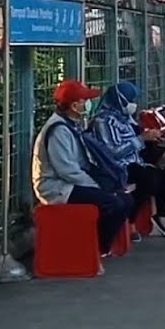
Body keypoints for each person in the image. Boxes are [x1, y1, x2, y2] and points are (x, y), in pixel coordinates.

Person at [31, 79, 129, 259]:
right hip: (57, 187)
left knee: (124, 197)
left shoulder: (70, 124)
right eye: (84, 101)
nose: (88, 104)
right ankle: (97, 248)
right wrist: (93, 185)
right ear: (74, 105)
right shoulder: (58, 130)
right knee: (114, 204)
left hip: (72, 182)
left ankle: (99, 246)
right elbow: (66, 170)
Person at [91, 81, 165, 238]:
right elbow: (113, 152)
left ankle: (161, 216)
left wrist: (155, 140)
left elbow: (138, 138)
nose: (133, 104)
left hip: (135, 162)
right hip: (116, 167)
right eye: (130, 100)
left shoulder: (126, 119)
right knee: (148, 179)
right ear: (120, 100)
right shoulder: (104, 121)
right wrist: (141, 139)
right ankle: (129, 221)